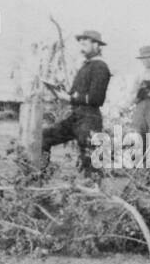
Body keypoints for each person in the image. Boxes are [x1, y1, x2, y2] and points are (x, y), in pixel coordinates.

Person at [41, 29, 112, 177]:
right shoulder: (86, 66)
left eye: (85, 44)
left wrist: (70, 98)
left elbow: (96, 99)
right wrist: (61, 92)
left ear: (97, 45)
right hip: (76, 118)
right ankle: (39, 177)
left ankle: (94, 195)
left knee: (91, 163)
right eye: (80, 44)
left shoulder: (100, 67)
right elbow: (75, 94)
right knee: (44, 137)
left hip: (89, 120)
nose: (81, 47)